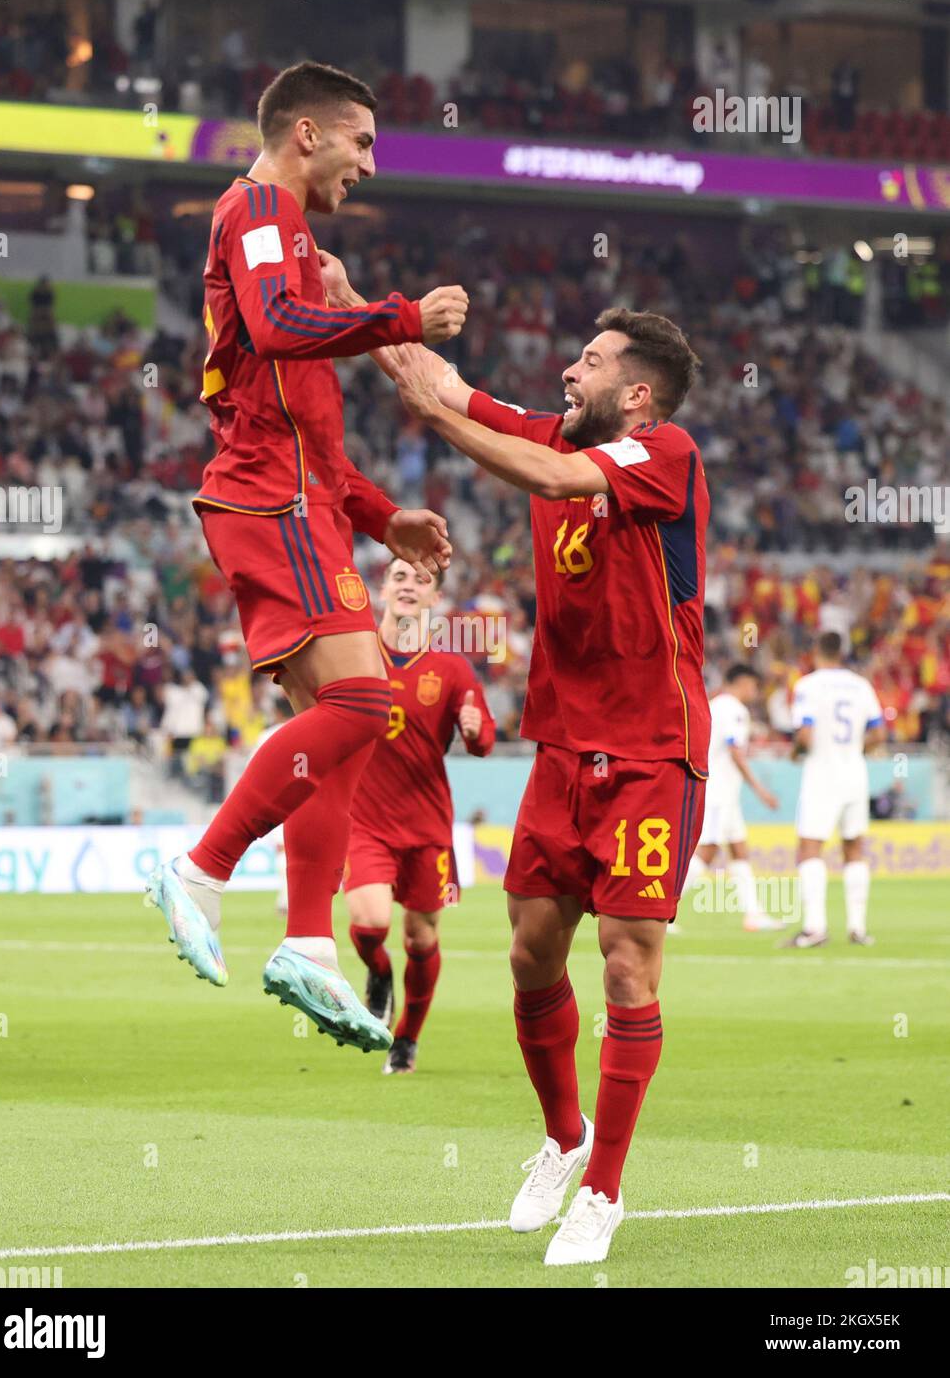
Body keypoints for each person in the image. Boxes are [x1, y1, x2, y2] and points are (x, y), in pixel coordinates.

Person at [145, 61, 468, 1055]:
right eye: (362, 141)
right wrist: (401, 317)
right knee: (370, 705)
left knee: (353, 725)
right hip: (268, 498)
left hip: (303, 501)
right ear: (308, 134)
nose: (369, 164)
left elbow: (318, 434)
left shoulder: (289, 232)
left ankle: (305, 945)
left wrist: (382, 519)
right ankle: (200, 865)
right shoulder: (258, 212)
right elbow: (283, 332)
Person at [374, 306, 708, 1266]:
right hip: (563, 748)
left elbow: (551, 473)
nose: (571, 370)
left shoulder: (663, 454)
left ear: (635, 395)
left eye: (592, 362)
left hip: (652, 752)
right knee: (528, 957)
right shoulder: (550, 428)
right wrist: (358, 311)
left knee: (625, 966)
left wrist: (438, 424)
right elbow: (443, 382)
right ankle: (564, 1139)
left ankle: (603, 1191)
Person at [344, 557, 495, 1075]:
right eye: (400, 577)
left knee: (421, 938)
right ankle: (378, 974)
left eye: (422, 581)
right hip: (366, 821)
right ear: (382, 589)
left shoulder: (451, 669)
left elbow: (485, 741)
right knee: (369, 922)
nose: (409, 586)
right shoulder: (356, 653)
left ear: (434, 600)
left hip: (428, 827)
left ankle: (406, 1039)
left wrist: (475, 731)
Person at [783, 631, 885, 949]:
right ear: (842, 653)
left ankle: (815, 928)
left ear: (816, 651)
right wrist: (855, 747)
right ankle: (857, 928)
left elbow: (805, 736)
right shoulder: (861, 685)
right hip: (855, 773)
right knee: (854, 848)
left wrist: (797, 753)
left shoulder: (808, 684)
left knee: (809, 848)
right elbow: (879, 733)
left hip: (822, 775)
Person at [685, 662, 782, 931]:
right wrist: (760, 790)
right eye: (753, 686)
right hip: (719, 792)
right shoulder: (735, 710)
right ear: (742, 683)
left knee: (739, 850)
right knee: (708, 850)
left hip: (722, 791)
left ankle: (753, 914)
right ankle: (665, 908)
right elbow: (735, 751)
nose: (755, 692)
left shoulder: (715, 704)